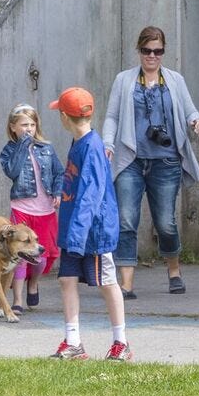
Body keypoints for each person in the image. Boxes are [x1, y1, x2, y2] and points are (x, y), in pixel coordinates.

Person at [103, 26, 199, 299]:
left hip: (166, 161)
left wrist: (196, 122)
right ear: (139, 50)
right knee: (126, 219)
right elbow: (112, 116)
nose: (152, 56)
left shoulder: (174, 80)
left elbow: (190, 110)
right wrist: (108, 144)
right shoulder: (124, 80)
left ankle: (174, 271)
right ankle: (126, 284)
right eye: (147, 50)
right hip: (131, 159)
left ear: (163, 52)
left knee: (165, 223)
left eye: (158, 51)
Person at [49, 87, 131, 361]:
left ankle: (121, 342)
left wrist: (77, 235)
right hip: (75, 229)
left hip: (92, 233)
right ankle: (73, 342)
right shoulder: (79, 141)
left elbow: (91, 195)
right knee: (66, 280)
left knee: (107, 282)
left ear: (64, 117)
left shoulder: (92, 147)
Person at [0, 104, 62, 315]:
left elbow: (59, 173)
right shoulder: (9, 150)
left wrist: (58, 192)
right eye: (24, 125)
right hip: (22, 209)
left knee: (42, 256)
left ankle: (33, 283)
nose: (29, 129)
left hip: (45, 211)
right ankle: (17, 300)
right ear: (13, 127)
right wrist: (23, 146)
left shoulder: (47, 148)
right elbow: (12, 171)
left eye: (32, 125)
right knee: (20, 255)